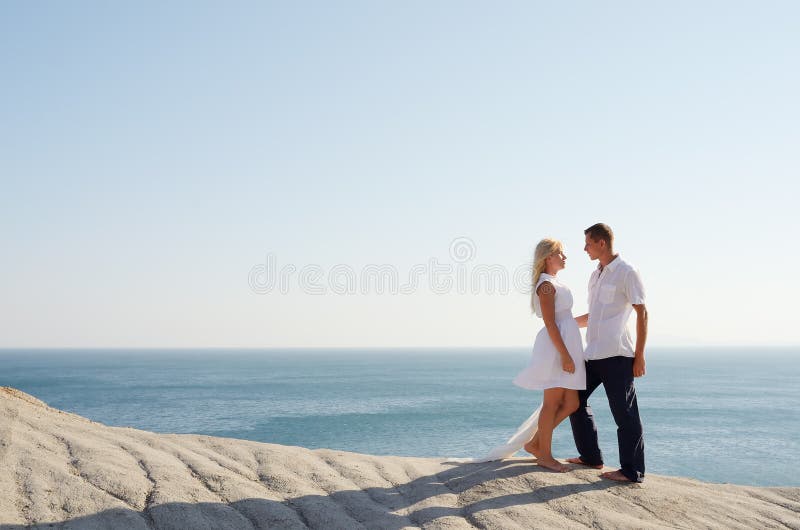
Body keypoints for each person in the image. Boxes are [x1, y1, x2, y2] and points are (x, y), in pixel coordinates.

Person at [567, 223, 648, 482]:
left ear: (602, 243)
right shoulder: (595, 275)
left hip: (617, 355)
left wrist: (639, 355)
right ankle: (591, 457)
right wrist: (563, 324)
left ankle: (632, 471)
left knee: (625, 414)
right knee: (573, 400)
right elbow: (595, 315)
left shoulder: (627, 271)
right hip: (592, 354)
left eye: (588, 243)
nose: (585, 249)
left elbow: (642, 313)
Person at [511, 238, 585, 472]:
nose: (565, 257)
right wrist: (565, 355)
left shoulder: (555, 282)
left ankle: (535, 444)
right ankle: (545, 455)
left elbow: (565, 320)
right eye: (560, 253)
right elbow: (551, 324)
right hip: (556, 349)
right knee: (551, 403)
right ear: (548, 257)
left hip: (567, 345)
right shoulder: (545, 285)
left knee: (572, 403)